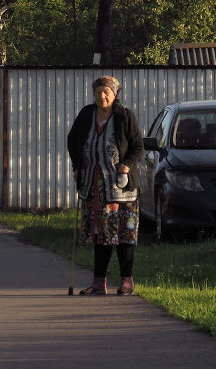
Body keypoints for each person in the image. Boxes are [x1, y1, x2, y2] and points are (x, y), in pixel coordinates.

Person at [67, 75, 144, 295]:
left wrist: (126, 166)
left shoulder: (124, 116)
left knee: (124, 233)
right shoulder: (86, 114)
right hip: (94, 184)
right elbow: (73, 141)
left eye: (106, 92)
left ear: (114, 94)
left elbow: (138, 147)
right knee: (100, 233)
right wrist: (76, 167)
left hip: (122, 188)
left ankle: (126, 281)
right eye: (98, 92)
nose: (102, 96)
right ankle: (99, 283)